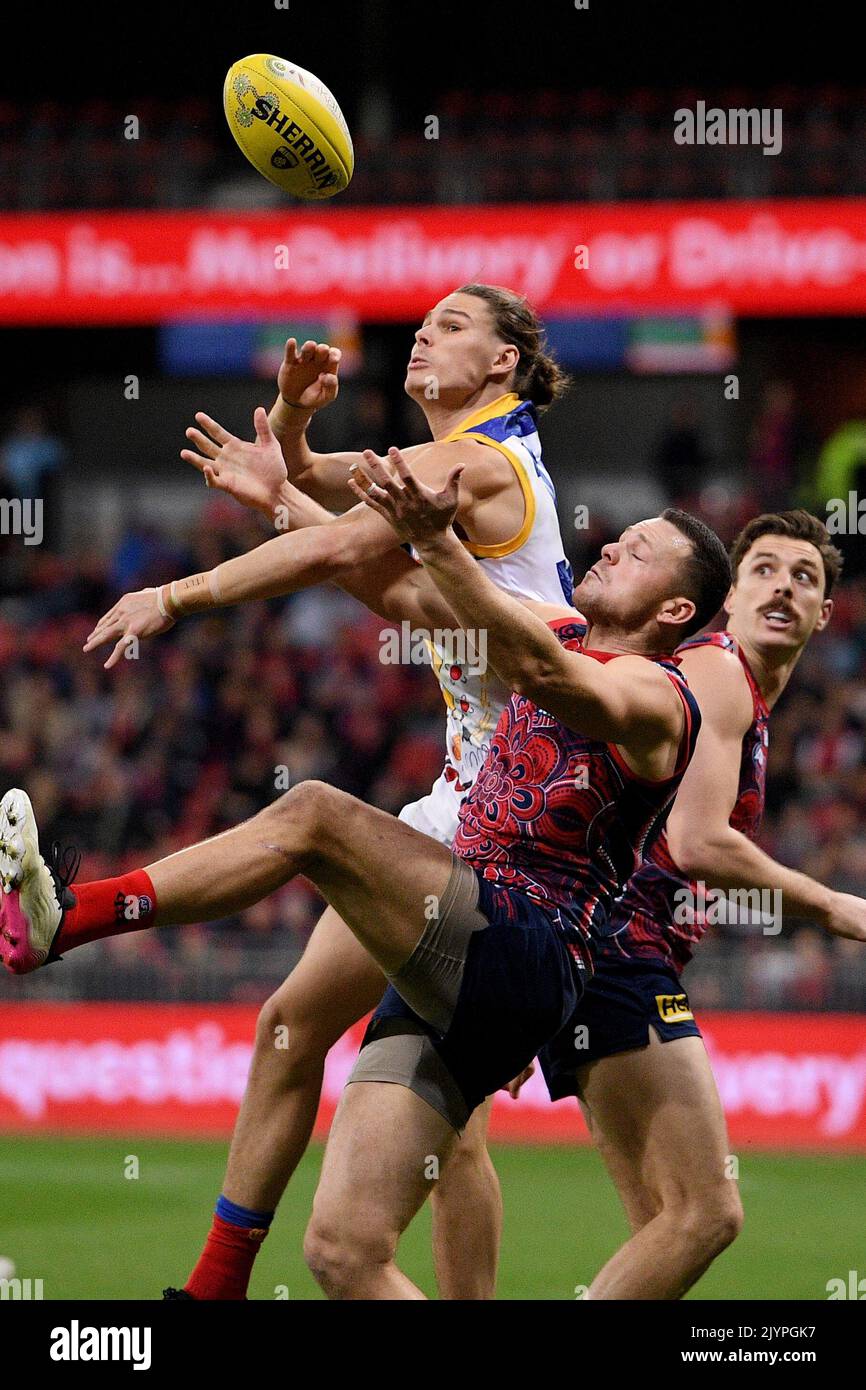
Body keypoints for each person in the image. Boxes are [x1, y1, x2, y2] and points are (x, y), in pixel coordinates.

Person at [0, 482, 731, 1299]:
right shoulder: (555, 630)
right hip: (464, 954)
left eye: (635, 551)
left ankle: (70, 918)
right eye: (616, 538)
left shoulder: (663, 698)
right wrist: (280, 497)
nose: (607, 548)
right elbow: (399, 583)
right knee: (343, 1252)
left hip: (525, 942)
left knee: (314, 814)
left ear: (673, 610)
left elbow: (538, 668)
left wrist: (440, 540)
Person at [57, 284, 579, 1301]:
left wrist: (177, 593)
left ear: (505, 362)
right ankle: (211, 1289)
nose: (424, 331)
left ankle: (70, 913)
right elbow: (306, 483)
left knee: (312, 830)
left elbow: (340, 545)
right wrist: (294, 420)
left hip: (516, 841)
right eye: (421, 321)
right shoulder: (436, 464)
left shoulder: (478, 461)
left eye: (454, 324)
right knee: (295, 1027)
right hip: (462, 800)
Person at [533, 509, 866, 1300]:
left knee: (663, 1230)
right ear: (731, 596)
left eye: (803, 577)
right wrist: (834, 908)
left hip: (589, 951)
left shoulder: (745, 696)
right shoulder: (718, 673)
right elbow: (698, 842)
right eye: (764, 570)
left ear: (823, 614)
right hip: (619, 949)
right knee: (708, 1215)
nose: (782, 586)